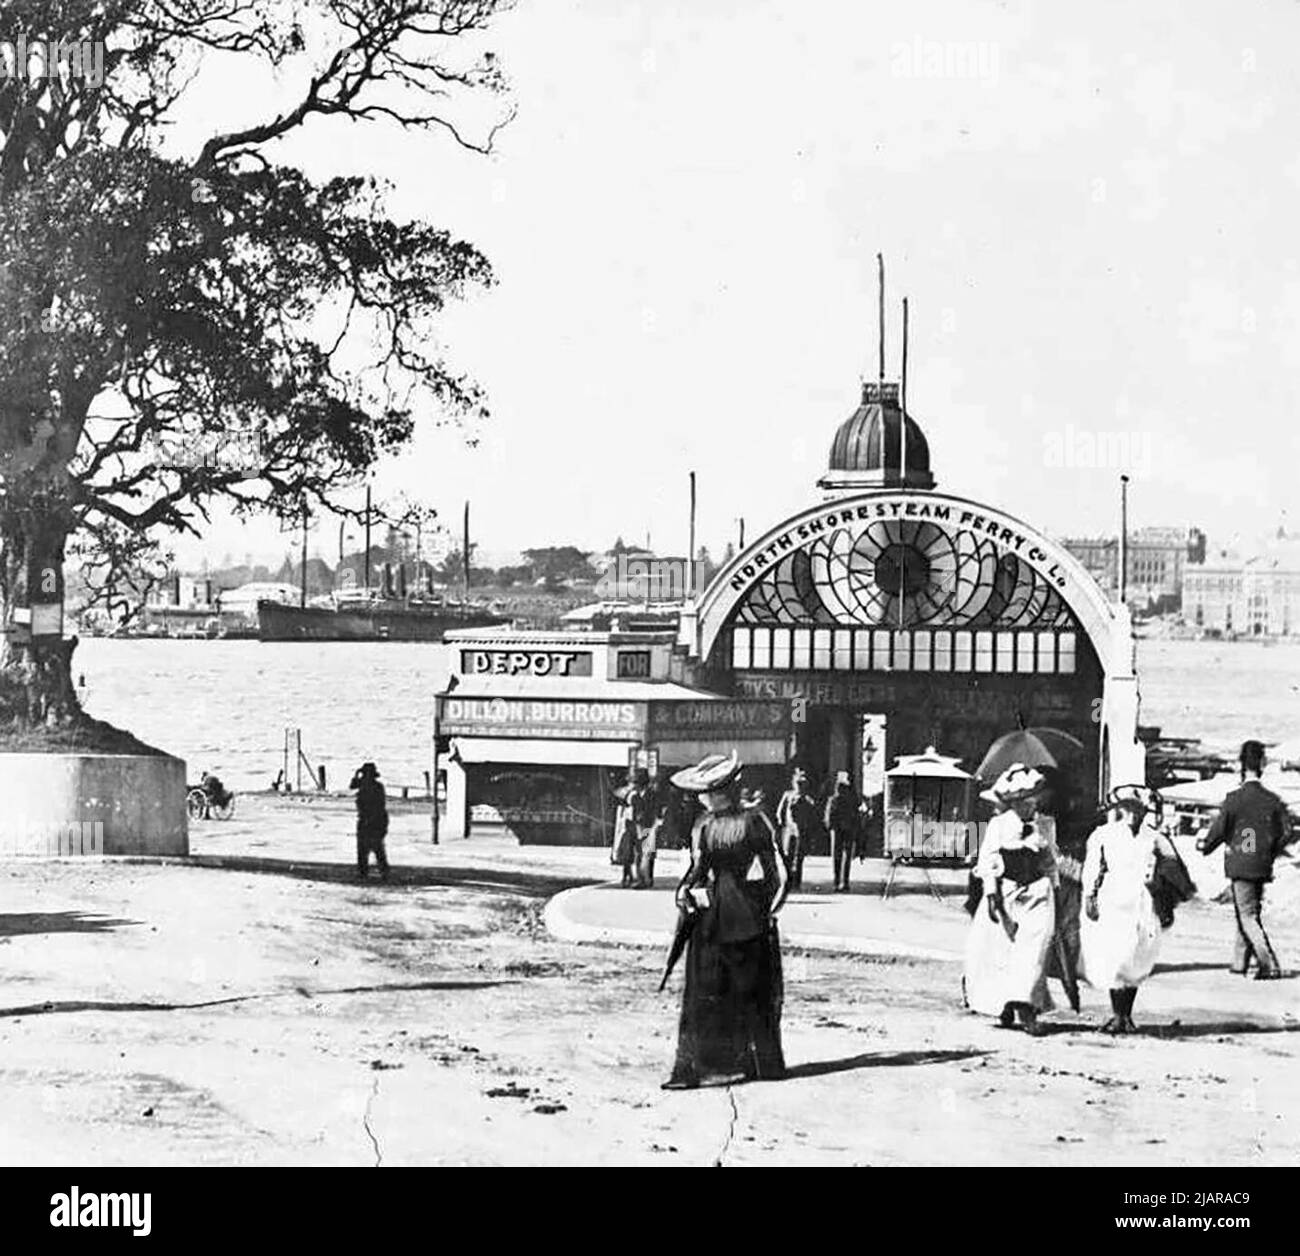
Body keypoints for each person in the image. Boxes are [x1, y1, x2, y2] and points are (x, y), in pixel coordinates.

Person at [663, 751, 788, 1090]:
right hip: (748, 914)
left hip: (711, 916)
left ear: (715, 792)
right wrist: (770, 909)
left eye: (706, 793)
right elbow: (779, 873)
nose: (703, 798)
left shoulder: (703, 826)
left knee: (703, 993)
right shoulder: (755, 821)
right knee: (754, 991)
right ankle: (763, 1063)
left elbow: (697, 871)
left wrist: (684, 894)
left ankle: (693, 1069)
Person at [963, 764, 1059, 1036]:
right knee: (1003, 952)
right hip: (1007, 892)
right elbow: (989, 861)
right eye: (1024, 801)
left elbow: (1051, 861)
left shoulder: (1046, 824)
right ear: (1013, 802)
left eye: (1033, 799)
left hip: (1039, 893)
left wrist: (1056, 888)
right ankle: (1004, 1004)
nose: (1030, 805)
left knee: (1034, 951)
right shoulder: (999, 825)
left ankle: (1027, 1010)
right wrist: (992, 896)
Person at [1080, 796, 1181, 1033]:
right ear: (1120, 810)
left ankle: (1126, 1014)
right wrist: (1090, 895)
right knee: (1117, 956)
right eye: (1129, 809)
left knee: (1139, 955)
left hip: (1143, 900)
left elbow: (1172, 862)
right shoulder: (1103, 835)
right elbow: (1093, 867)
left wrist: (1161, 882)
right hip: (1114, 899)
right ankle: (1117, 1014)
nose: (1135, 815)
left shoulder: (1153, 836)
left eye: (1140, 810)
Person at [1198, 740, 1295, 979]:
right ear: (1262, 764)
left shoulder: (1234, 798)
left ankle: (1268, 962)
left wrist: (1205, 845)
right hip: (1262, 862)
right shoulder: (1272, 800)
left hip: (1240, 863)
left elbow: (1219, 830)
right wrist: (1271, 849)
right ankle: (1239, 962)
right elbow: (1288, 831)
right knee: (1249, 909)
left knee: (1247, 914)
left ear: (1242, 765)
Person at [774, 767, 821, 891]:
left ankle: (797, 882)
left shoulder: (807, 798)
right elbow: (779, 812)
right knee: (787, 856)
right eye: (798, 783)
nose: (800, 786)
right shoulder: (788, 795)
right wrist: (781, 823)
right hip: (789, 830)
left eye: (802, 784)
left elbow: (813, 814)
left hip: (802, 830)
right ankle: (789, 880)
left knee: (799, 857)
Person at [350, 762, 389, 881]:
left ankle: (377, 871)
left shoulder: (374, 787)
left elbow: (378, 805)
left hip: (373, 818)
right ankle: (370, 871)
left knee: (374, 847)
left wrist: (357, 775)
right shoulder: (369, 786)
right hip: (370, 819)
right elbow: (352, 786)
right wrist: (356, 775)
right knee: (367, 847)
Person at [823, 770, 861, 892]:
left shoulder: (833, 799)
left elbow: (828, 816)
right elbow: (856, 815)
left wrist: (830, 827)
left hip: (837, 830)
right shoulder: (852, 799)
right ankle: (844, 882)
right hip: (847, 829)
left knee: (837, 856)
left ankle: (837, 881)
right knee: (846, 856)